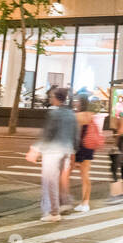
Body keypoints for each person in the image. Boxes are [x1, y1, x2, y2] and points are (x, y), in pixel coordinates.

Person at [32, 87, 77, 222]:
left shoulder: (54, 114)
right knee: (56, 179)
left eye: (52, 96)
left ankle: (53, 211)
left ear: (57, 98)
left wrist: (36, 149)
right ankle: (57, 207)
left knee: (49, 181)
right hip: (66, 151)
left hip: (53, 151)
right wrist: (73, 151)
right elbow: (75, 136)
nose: (50, 99)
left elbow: (48, 134)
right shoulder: (71, 114)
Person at [66, 94, 103, 212]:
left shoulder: (78, 116)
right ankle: (85, 203)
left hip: (80, 148)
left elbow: (76, 135)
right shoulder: (91, 115)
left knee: (67, 173)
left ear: (81, 103)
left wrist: (75, 155)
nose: (75, 103)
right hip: (89, 147)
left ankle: (65, 198)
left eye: (77, 101)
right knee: (85, 175)